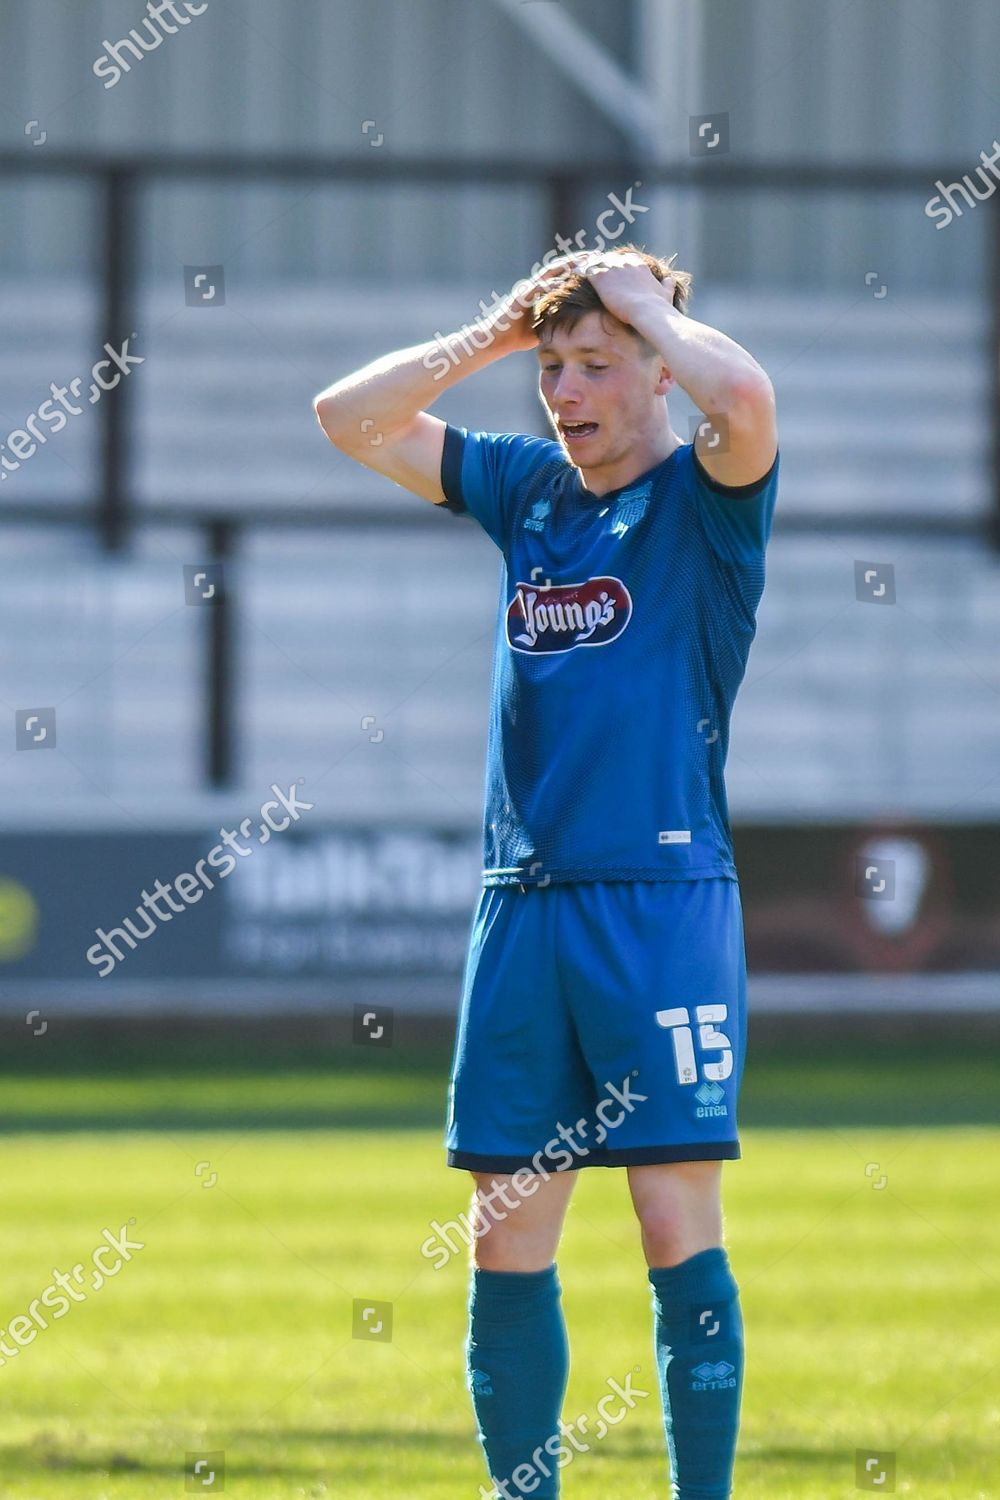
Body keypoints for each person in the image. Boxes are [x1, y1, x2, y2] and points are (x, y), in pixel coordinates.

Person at [313, 244, 779, 1500]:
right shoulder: (527, 490)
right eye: (553, 368)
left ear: (657, 372)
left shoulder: (706, 498)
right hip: (520, 906)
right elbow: (347, 417)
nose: (565, 392)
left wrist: (641, 306)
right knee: (503, 1247)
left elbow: (743, 400)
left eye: (596, 366)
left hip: (660, 907)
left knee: (672, 1227)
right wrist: (494, 336)